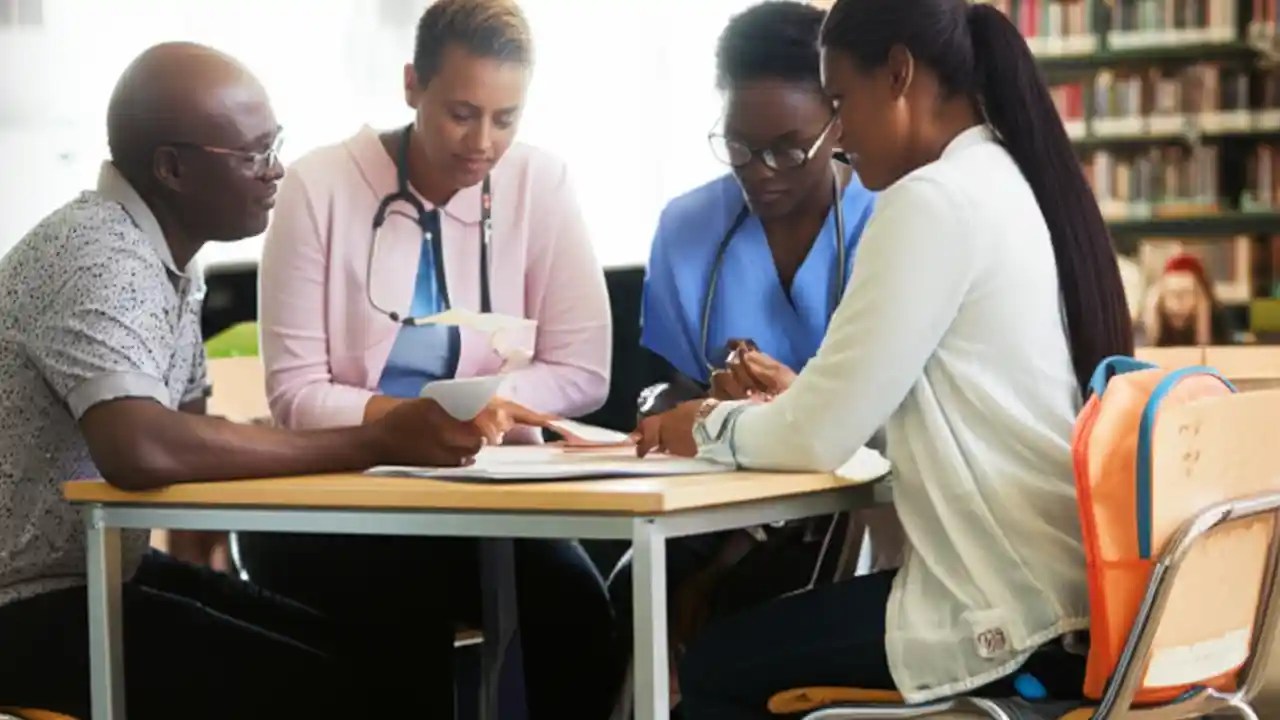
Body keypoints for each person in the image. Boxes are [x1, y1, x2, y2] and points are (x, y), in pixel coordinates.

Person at [0, 42, 530, 720]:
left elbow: (186, 436)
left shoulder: (169, 263)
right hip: (24, 604)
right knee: (333, 694)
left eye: (274, 144)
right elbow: (143, 450)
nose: (276, 170)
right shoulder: (99, 254)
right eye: (253, 155)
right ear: (172, 169)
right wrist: (375, 441)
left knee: (378, 666)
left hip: (94, 574)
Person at [636, 0, 1135, 716]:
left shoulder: (930, 201)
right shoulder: (1001, 177)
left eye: (840, 103)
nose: (836, 136)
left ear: (898, 74)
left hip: (1002, 611)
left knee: (714, 664)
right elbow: (931, 405)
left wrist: (705, 422)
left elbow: (816, 439)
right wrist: (805, 396)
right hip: (1058, 593)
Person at [240, 1, 619, 717]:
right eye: (460, 112)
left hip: (482, 489)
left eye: (505, 119)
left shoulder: (541, 184)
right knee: (399, 618)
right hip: (340, 491)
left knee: (576, 609)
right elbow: (296, 394)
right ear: (413, 84)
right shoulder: (319, 187)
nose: (482, 143)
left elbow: (583, 368)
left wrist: (481, 409)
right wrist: (405, 425)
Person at [609, 0, 880, 687]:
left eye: (789, 149)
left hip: (846, 510)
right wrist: (696, 399)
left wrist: (794, 402)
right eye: (738, 147)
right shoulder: (687, 228)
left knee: (738, 611)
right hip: (717, 495)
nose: (760, 171)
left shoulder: (890, 225)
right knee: (621, 592)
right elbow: (666, 385)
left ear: (838, 125)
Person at [1140, 252, 1235, 346]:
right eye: (1171, 293)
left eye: (1186, 293)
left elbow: (1214, 356)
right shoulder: (1154, 316)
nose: (1177, 304)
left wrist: (1203, 321)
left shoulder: (1218, 319)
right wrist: (1152, 326)